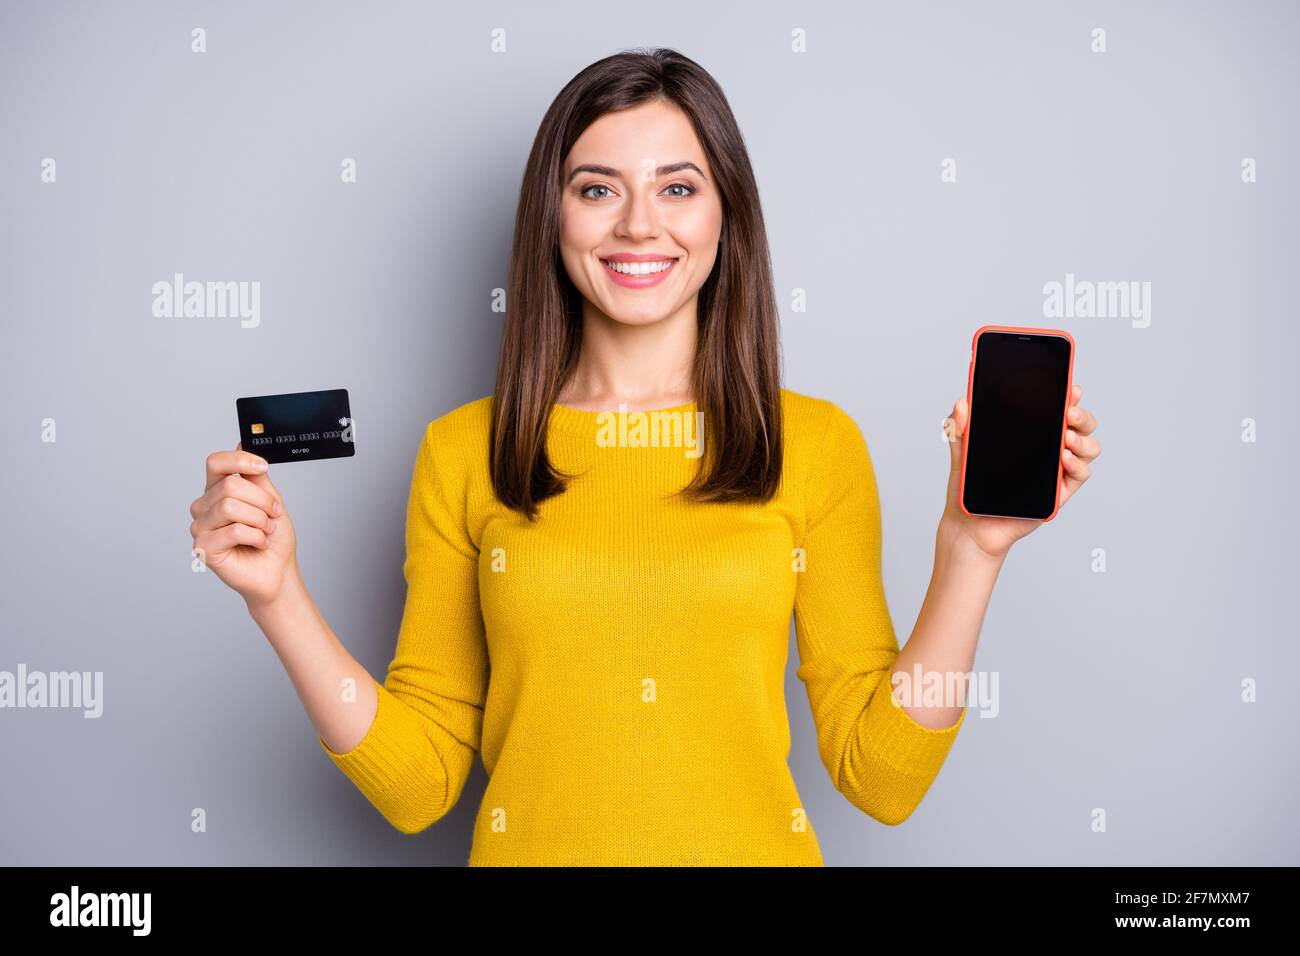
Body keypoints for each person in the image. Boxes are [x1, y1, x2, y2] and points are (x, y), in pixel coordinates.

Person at [188, 48, 1100, 866]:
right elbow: (419, 785)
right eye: (596, 188)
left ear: (725, 215)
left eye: (676, 187)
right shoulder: (463, 451)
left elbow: (880, 777)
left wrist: (970, 552)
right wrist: (278, 596)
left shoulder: (815, 446)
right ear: (553, 217)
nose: (636, 225)